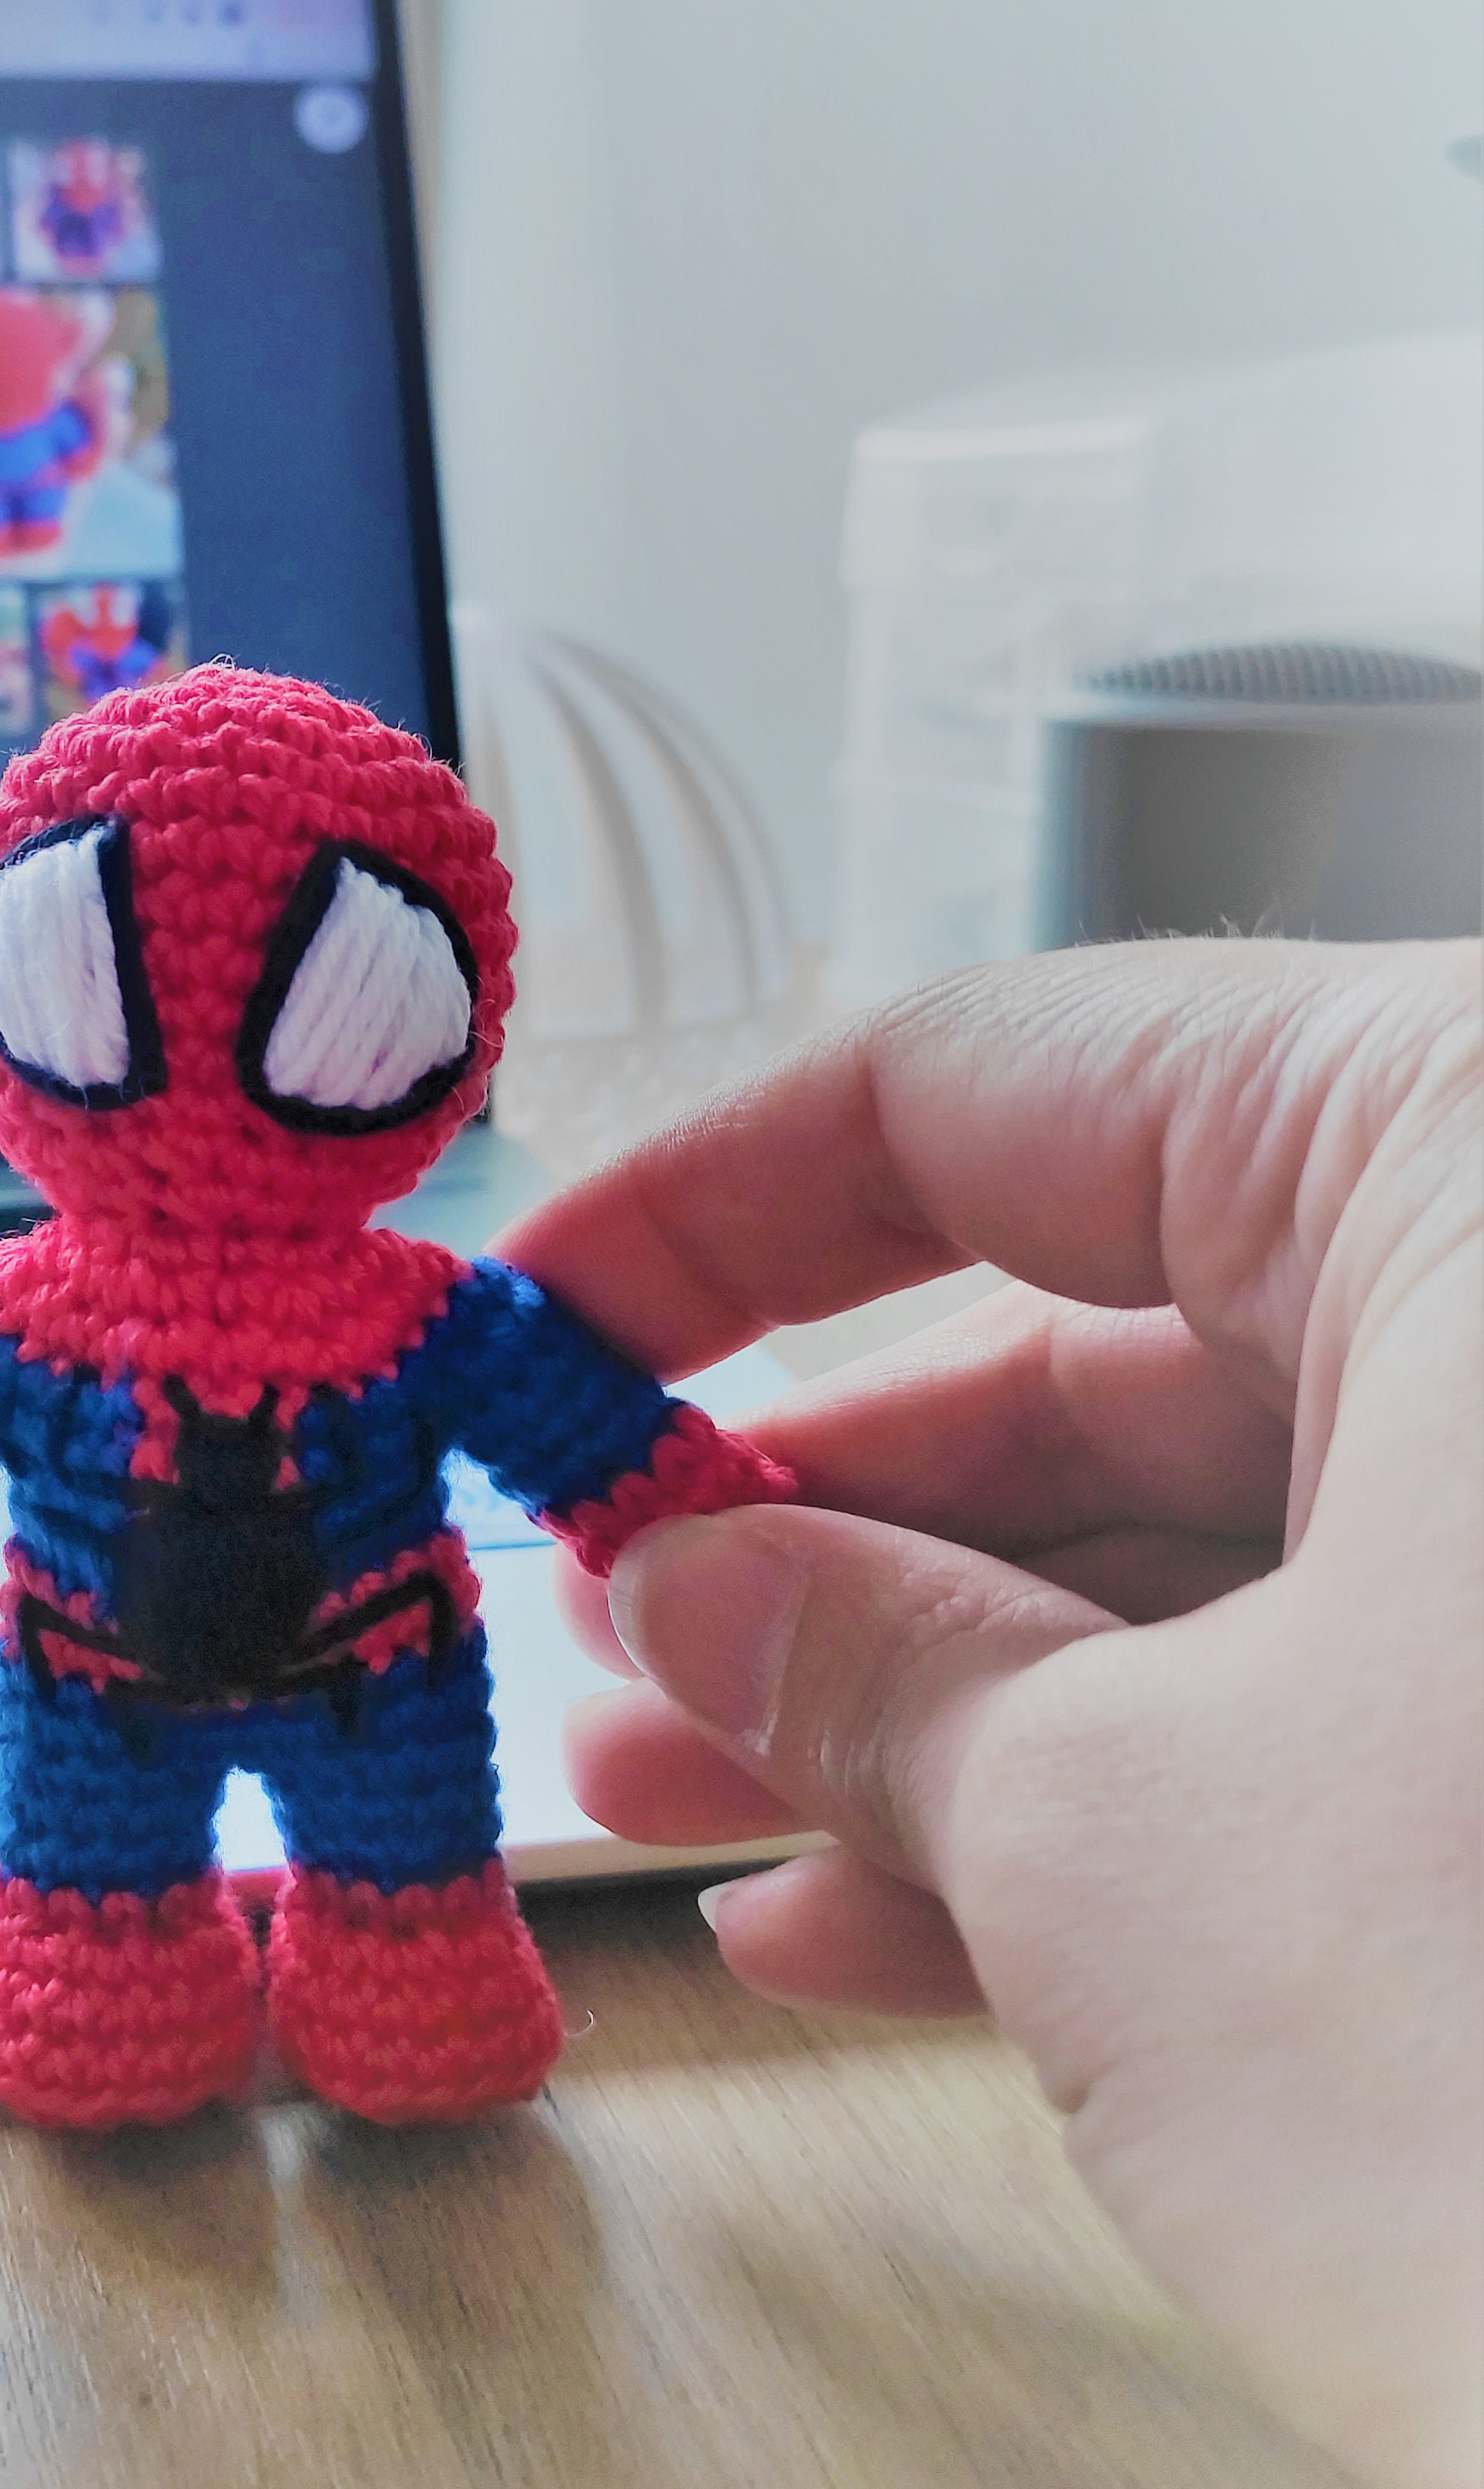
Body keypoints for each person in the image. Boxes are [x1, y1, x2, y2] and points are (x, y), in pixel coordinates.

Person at [496, 938, 1481, 2489]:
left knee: (399, 1846)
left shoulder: (448, 1325)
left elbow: (575, 1422)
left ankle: (395, 1956)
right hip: (159, 1672)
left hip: (371, 1677)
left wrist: (702, 1521)